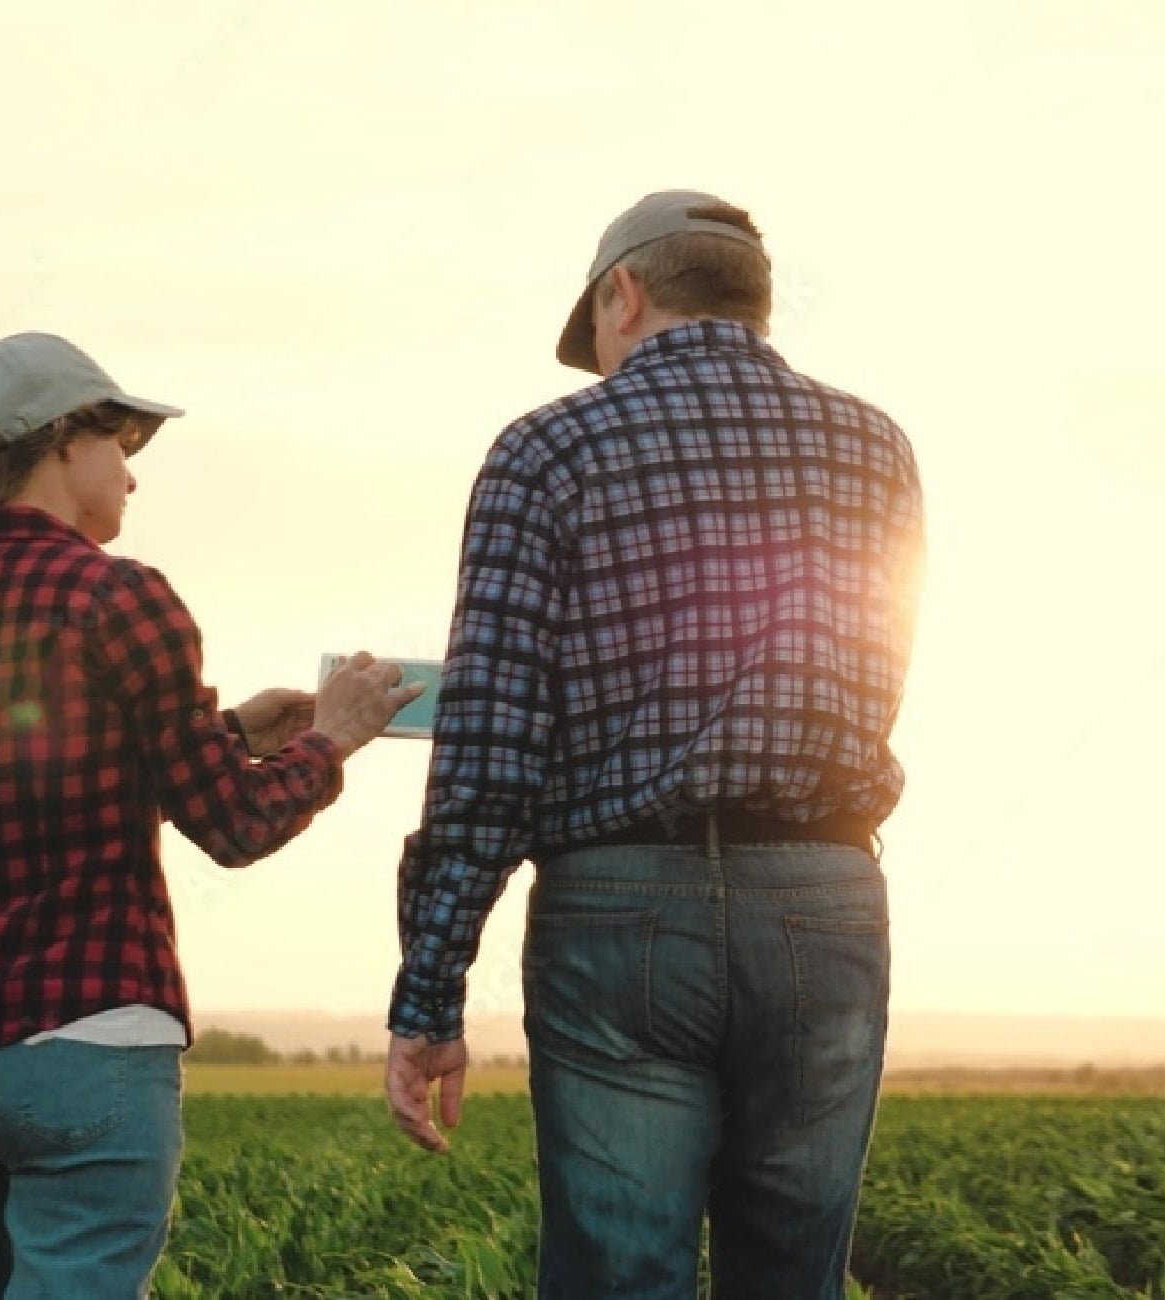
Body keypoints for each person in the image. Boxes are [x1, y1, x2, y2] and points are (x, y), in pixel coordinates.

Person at [384, 192, 925, 1298]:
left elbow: (491, 742)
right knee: (792, 1277)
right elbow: (880, 675)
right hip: (824, 892)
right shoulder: (877, 447)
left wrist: (430, 991)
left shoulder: (548, 446)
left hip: (619, 904)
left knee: (618, 1275)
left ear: (623, 292)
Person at [0, 331, 420, 1299]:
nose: (131, 475)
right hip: (81, 1030)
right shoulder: (121, 593)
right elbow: (235, 826)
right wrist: (332, 739)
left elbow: (35, 781)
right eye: (120, 444)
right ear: (65, 442)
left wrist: (230, 729)